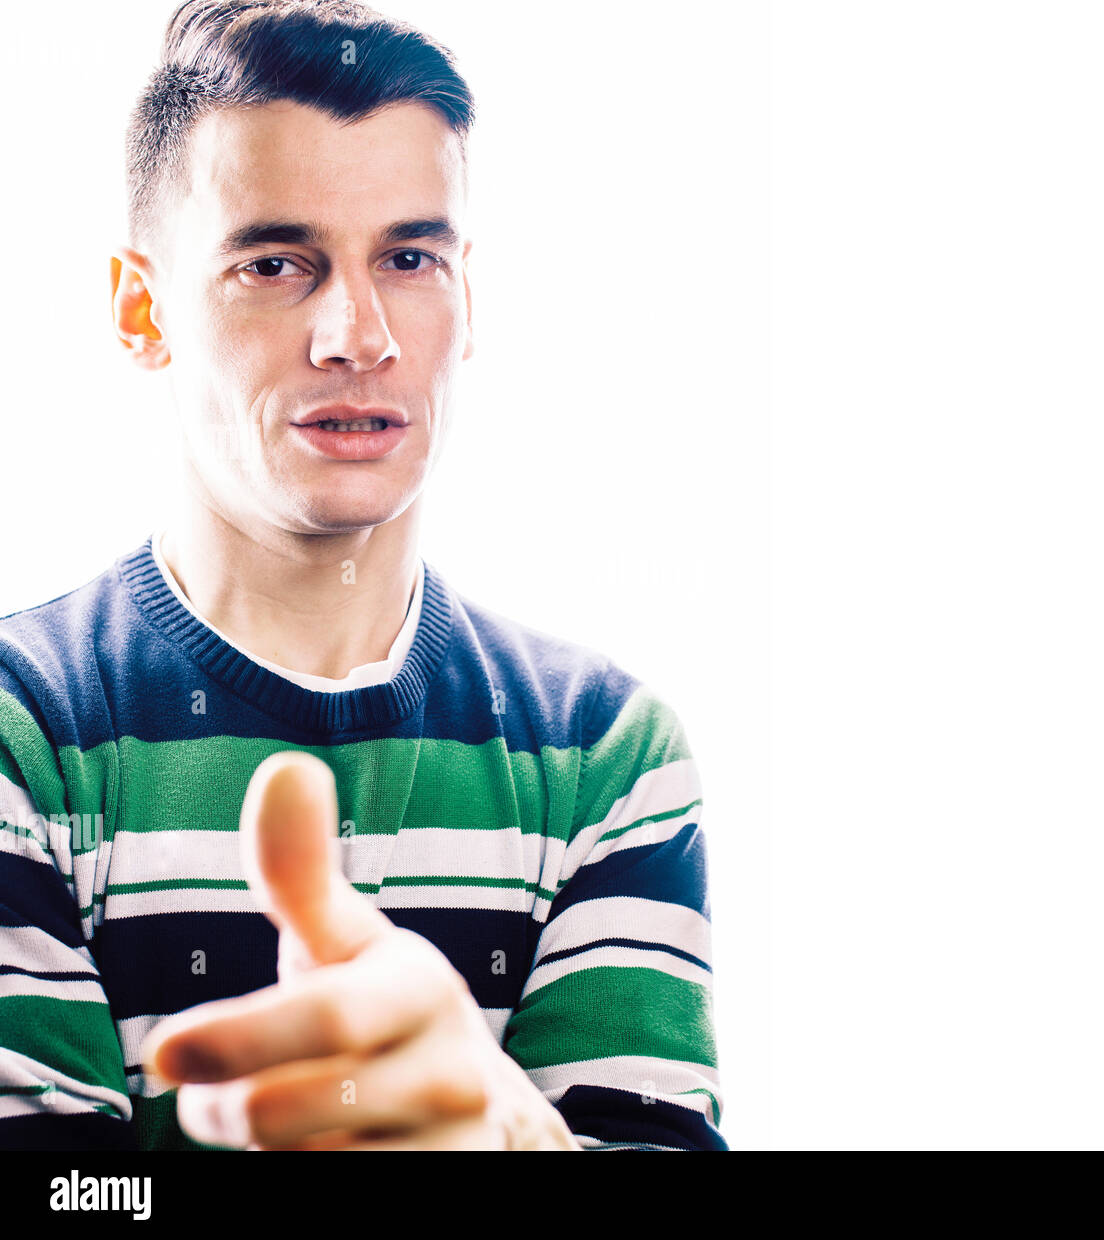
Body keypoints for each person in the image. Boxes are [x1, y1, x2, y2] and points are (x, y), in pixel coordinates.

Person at [0, 0, 724, 1152]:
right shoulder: (21, 730)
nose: (357, 333)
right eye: (277, 262)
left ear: (465, 296)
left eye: (409, 257)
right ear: (143, 309)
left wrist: (506, 1141)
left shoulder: (605, 752)